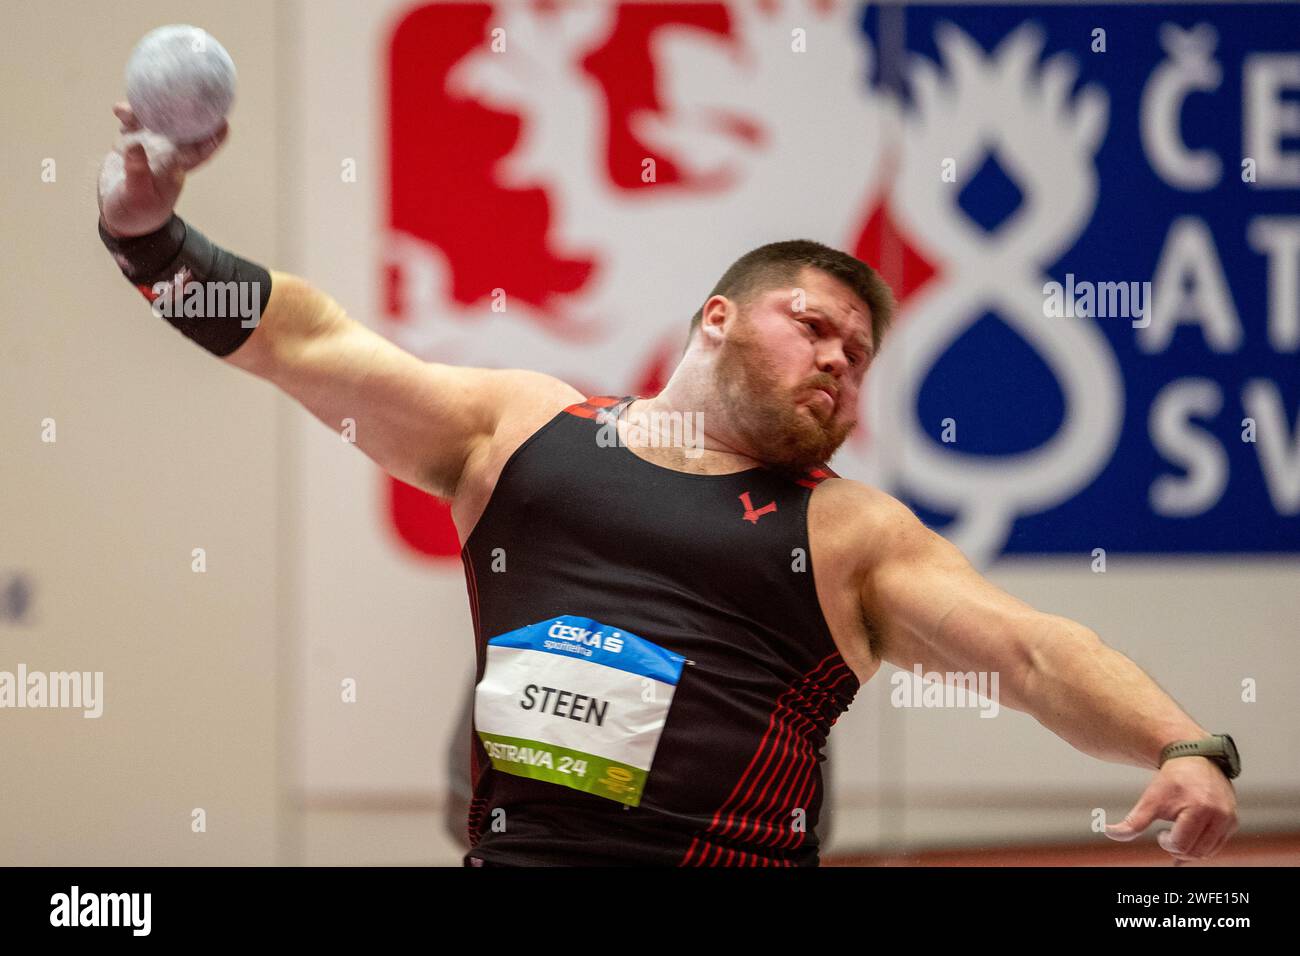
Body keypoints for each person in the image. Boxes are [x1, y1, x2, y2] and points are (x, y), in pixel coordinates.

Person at [95, 102, 1239, 867]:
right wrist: (152, 240)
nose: (841, 360)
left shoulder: (847, 531)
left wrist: (1183, 743)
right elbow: (311, 341)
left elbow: (1031, 650)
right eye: (815, 326)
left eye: (859, 355)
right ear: (716, 316)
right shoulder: (522, 431)